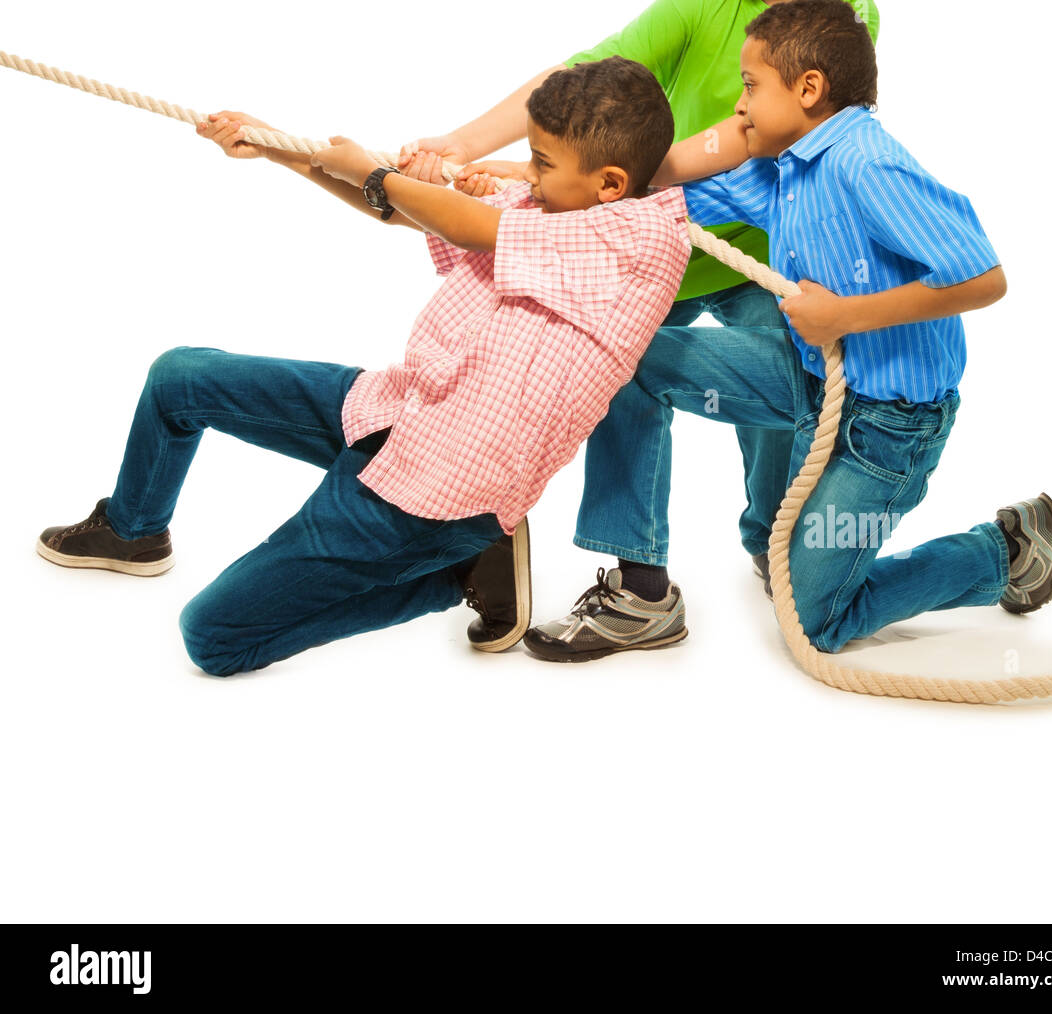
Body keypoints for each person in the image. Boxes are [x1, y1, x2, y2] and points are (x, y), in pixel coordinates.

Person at [35, 58, 691, 676]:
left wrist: (375, 172)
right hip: (403, 411)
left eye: (541, 161)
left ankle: (448, 575)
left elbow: (460, 223)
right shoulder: (556, 201)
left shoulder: (641, 238)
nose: (526, 170)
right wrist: (283, 151)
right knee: (179, 377)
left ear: (610, 182)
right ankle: (132, 533)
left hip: (445, 492)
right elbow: (398, 209)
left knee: (211, 638)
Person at [399, 0, 881, 602]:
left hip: (765, 256)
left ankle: (773, 538)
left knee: (774, 400)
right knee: (617, 379)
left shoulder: (846, 23)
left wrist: (607, 177)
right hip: (658, 245)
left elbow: (750, 133)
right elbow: (579, 79)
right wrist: (464, 142)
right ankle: (638, 574)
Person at [522, 0, 1052, 662]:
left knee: (811, 619)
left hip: (886, 428)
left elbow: (983, 278)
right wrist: (528, 182)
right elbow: (649, 194)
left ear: (809, 90)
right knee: (625, 360)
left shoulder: (868, 164)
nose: (739, 106)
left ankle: (1003, 553)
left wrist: (843, 316)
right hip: (801, 376)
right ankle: (640, 587)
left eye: (750, 86)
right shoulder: (777, 169)